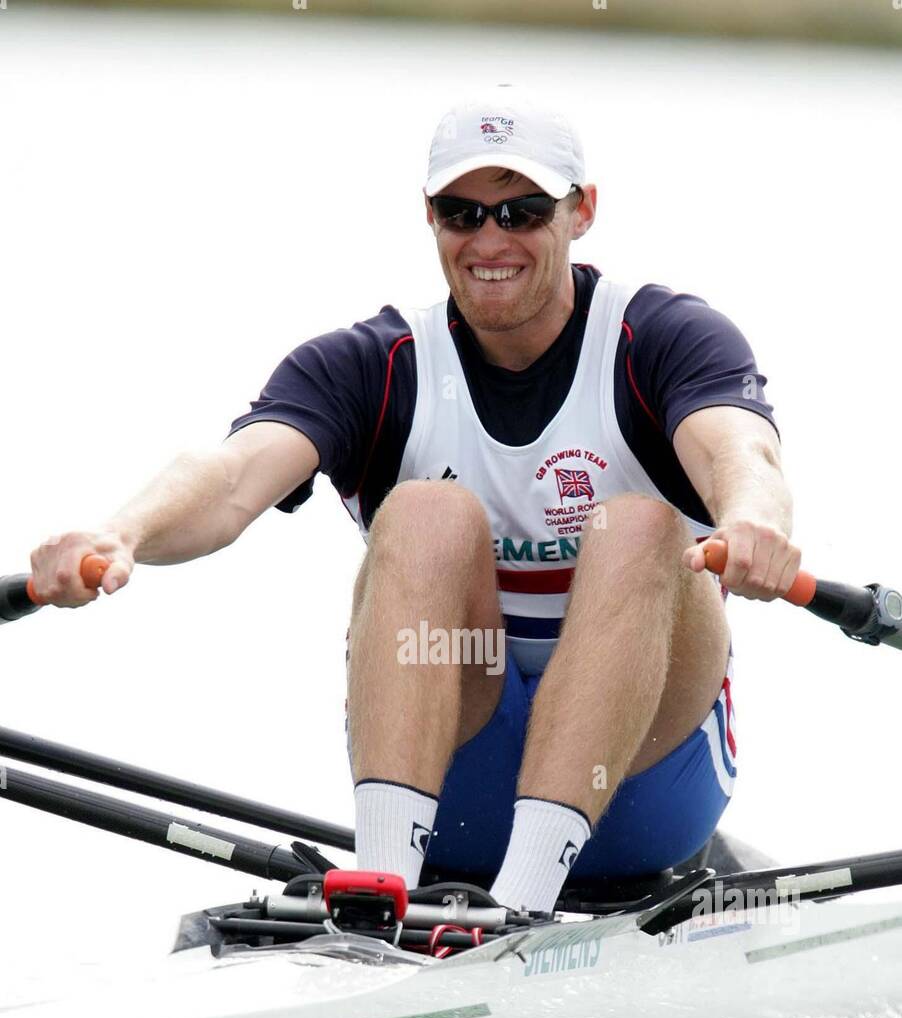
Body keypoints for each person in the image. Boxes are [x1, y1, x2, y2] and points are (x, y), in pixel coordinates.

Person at [28, 88, 799, 913]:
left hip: (643, 785)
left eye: (523, 210)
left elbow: (738, 450)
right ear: (429, 217)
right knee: (426, 511)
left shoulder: (666, 339)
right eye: (462, 213)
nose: (490, 239)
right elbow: (228, 479)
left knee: (641, 521)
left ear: (583, 212)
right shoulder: (372, 364)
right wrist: (121, 532)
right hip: (458, 771)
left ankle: (526, 902)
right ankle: (380, 894)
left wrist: (754, 518)